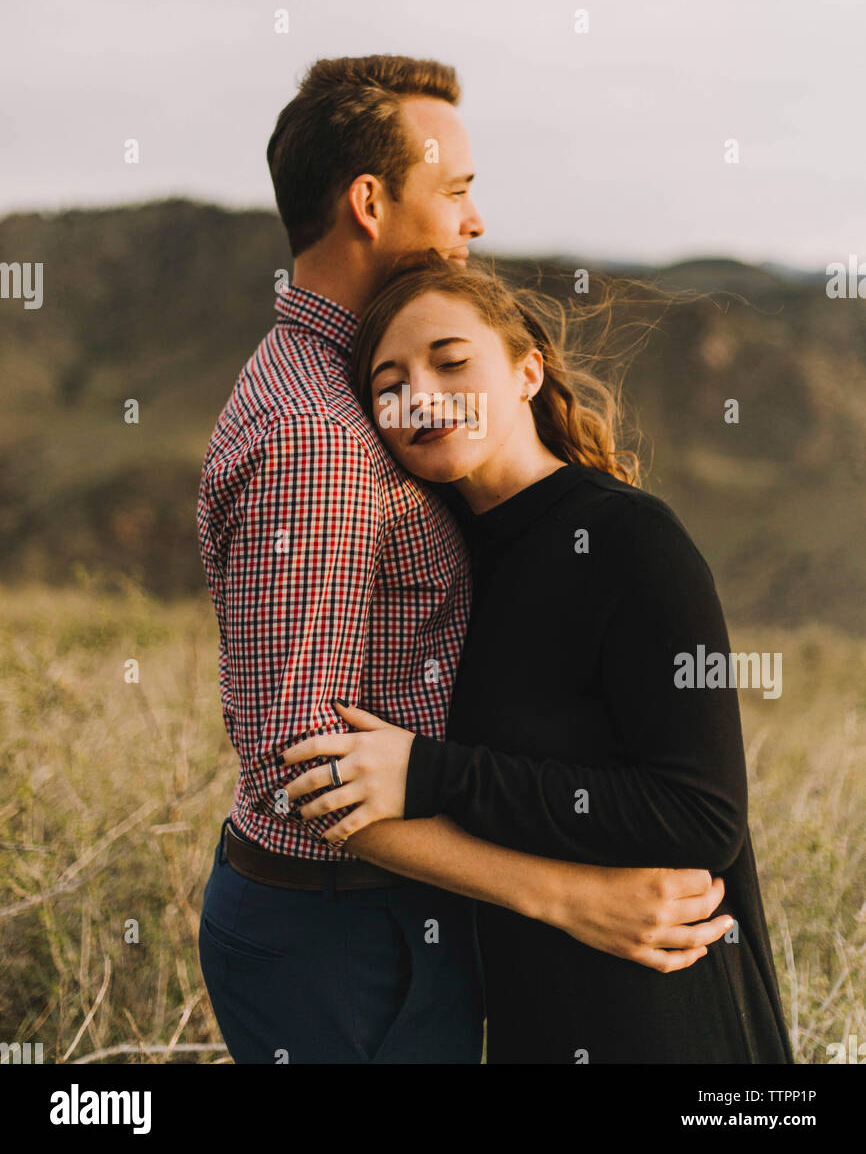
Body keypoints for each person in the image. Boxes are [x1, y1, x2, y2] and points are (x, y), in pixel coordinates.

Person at [197, 55, 734, 1066]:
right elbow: (296, 767)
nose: (472, 223)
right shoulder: (320, 433)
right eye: (454, 191)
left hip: (393, 914)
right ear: (369, 202)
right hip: (340, 932)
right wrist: (569, 896)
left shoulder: (357, 389)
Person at [284, 251, 794, 1065]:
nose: (420, 394)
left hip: (661, 1005)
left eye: (452, 362)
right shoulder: (440, 563)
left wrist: (431, 774)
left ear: (527, 371)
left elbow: (703, 815)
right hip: (529, 1013)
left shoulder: (631, 540)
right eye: (390, 385)